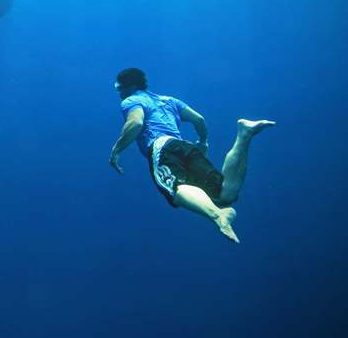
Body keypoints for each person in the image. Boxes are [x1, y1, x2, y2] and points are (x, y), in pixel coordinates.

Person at [108, 68, 275, 243]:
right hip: (184, 146)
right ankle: (244, 135)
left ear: (131, 86)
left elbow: (135, 123)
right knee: (225, 196)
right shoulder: (169, 100)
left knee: (176, 188)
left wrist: (116, 151)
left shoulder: (131, 101)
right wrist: (203, 141)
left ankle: (218, 216)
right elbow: (199, 119)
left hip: (161, 146)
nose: (119, 94)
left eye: (119, 89)